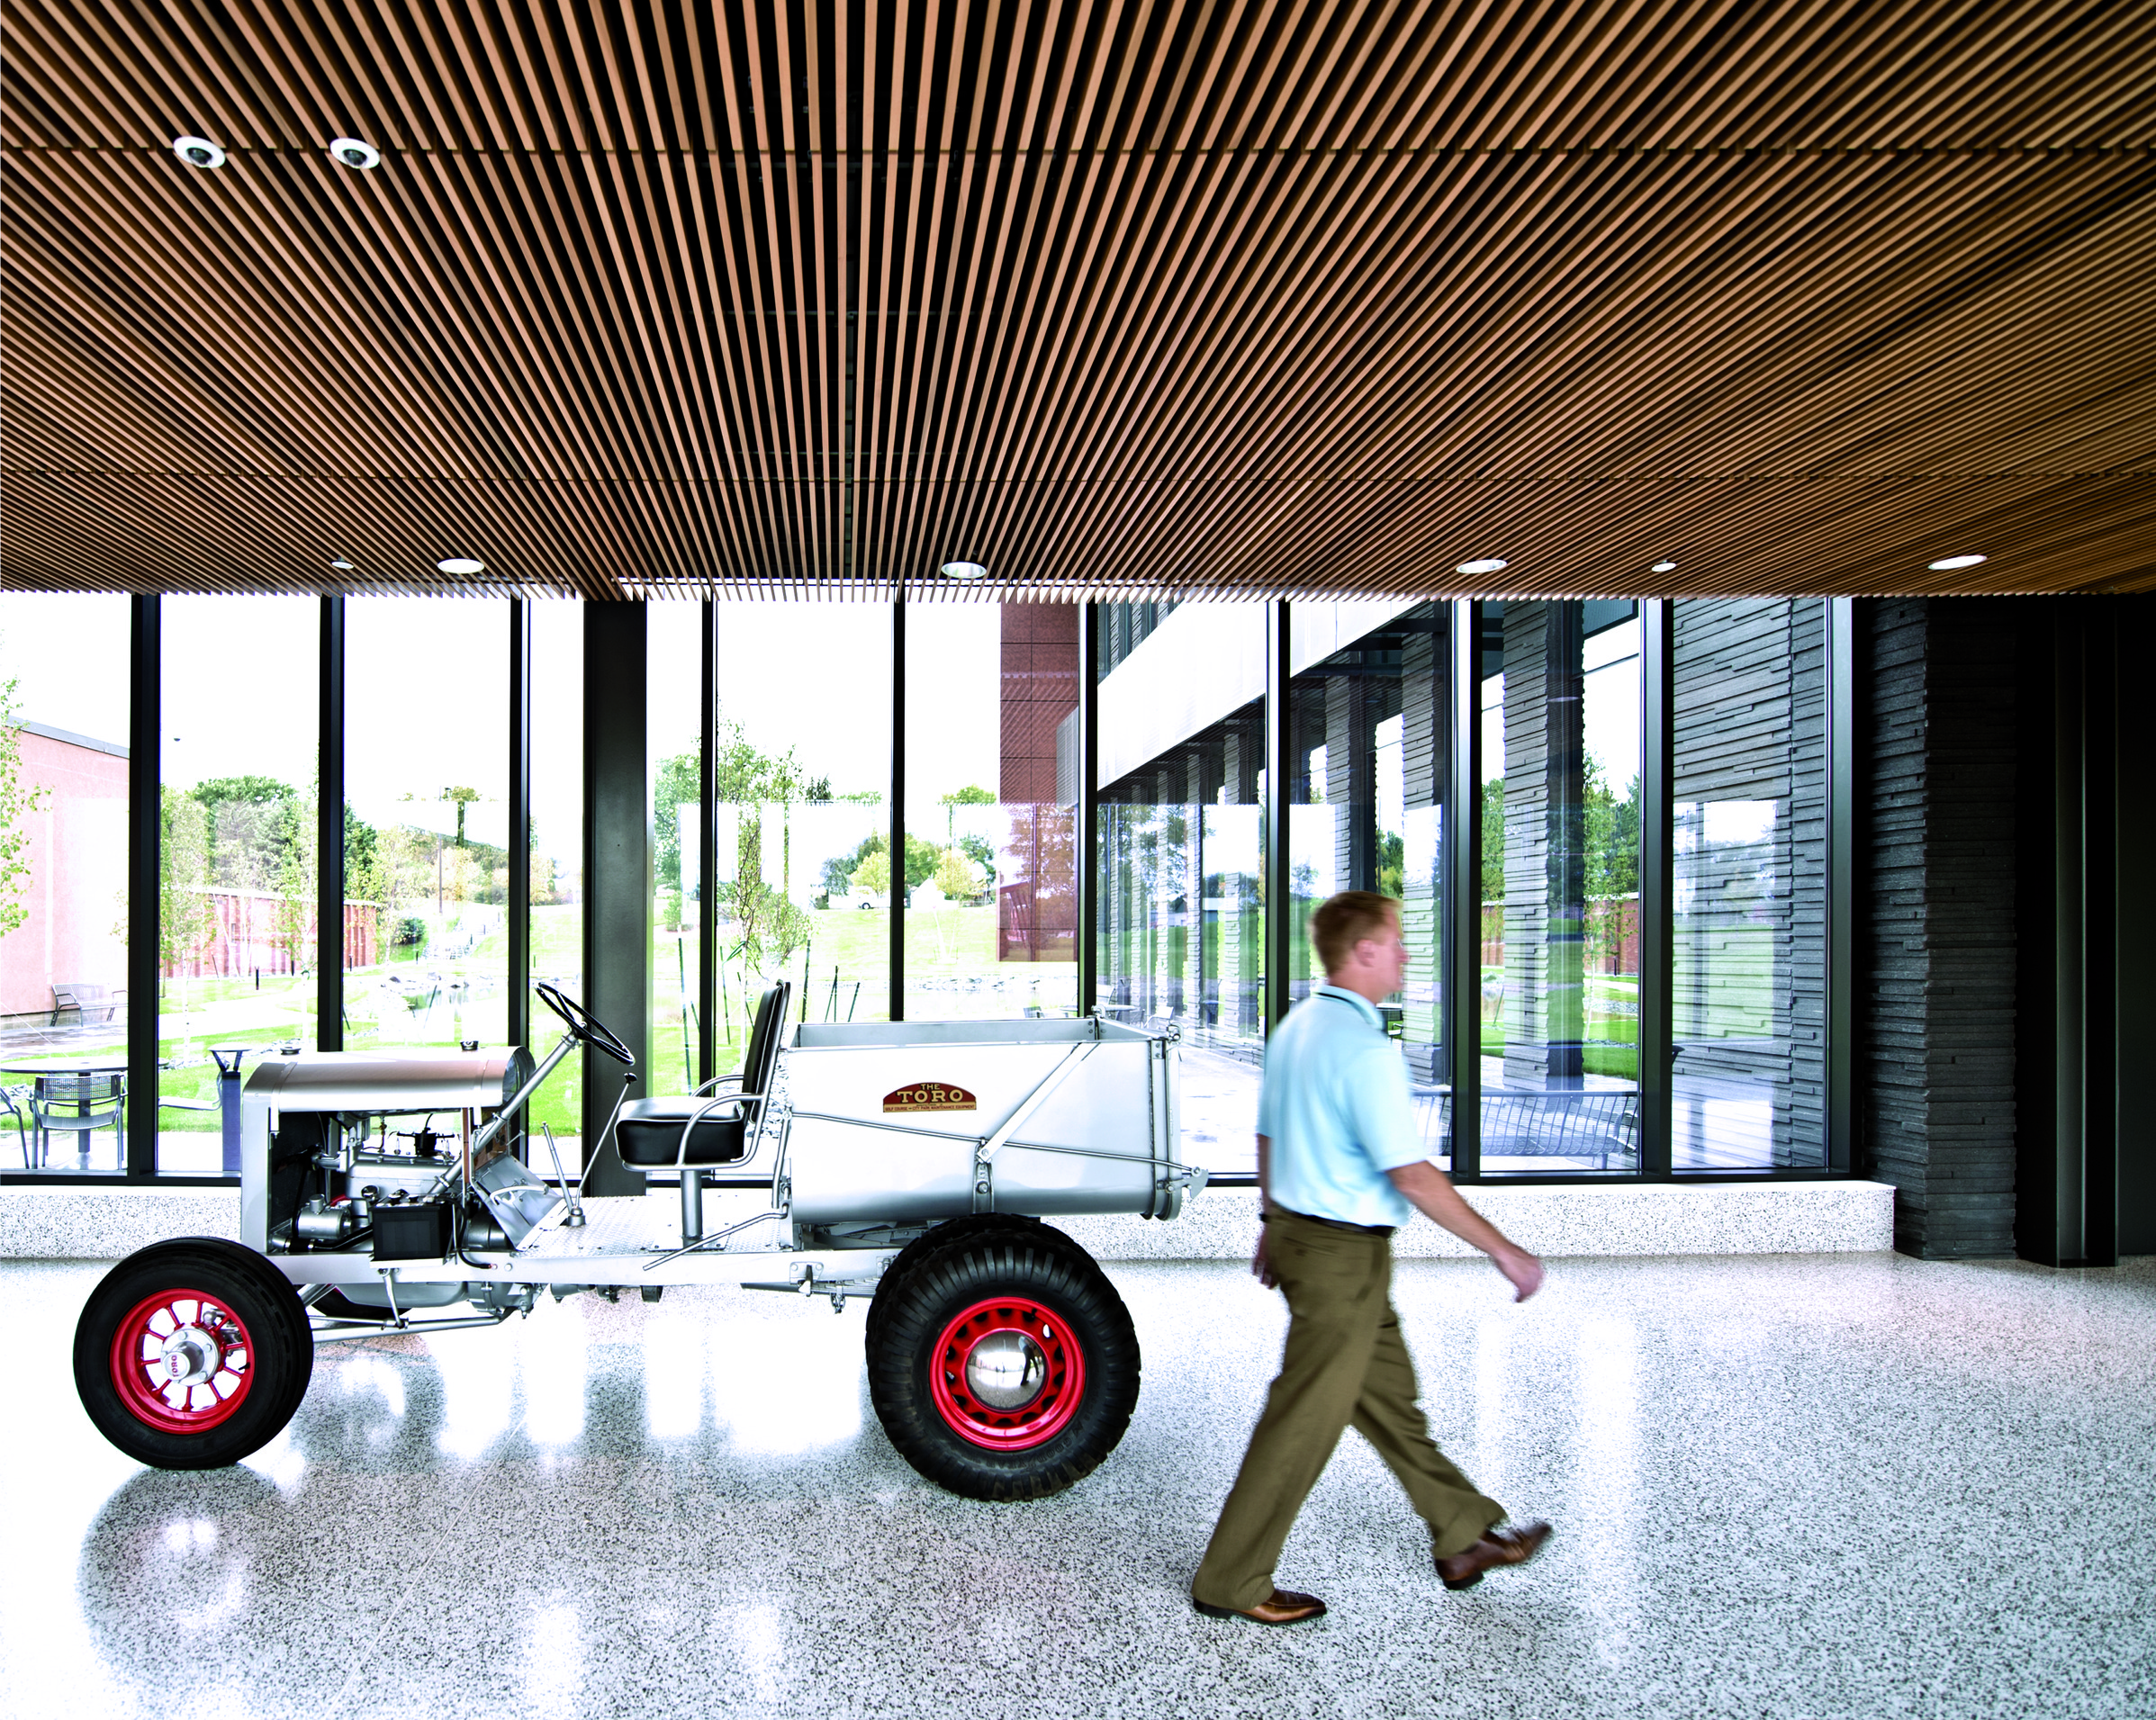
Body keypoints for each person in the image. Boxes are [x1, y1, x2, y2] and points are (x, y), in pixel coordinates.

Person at [1190, 889, 1552, 1625]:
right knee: (1300, 1421)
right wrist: (1503, 1251)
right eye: (1394, 942)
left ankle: (1462, 1536)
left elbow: (1267, 1135)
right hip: (1341, 1258)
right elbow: (1410, 1173)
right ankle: (1229, 1579)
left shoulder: (1295, 1028)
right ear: (1361, 953)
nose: (1405, 955)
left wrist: (1271, 1219)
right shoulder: (1361, 1048)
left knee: (1389, 1398)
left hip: (1304, 1236)